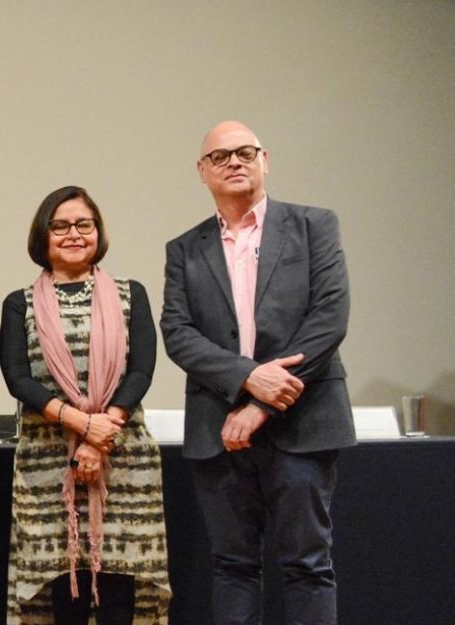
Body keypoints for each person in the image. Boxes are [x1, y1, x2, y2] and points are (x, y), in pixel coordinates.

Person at [160, 121, 354, 625]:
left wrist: (263, 403)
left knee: (308, 565)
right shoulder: (183, 248)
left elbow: (329, 316)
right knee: (232, 567)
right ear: (202, 172)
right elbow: (178, 333)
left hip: (303, 421)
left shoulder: (314, 225)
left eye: (245, 152)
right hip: (220, 431)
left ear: (265, 160)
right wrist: (249, 379)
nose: (234, 162)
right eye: (220, 156)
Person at [0, 186, 170, 625]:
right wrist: (79, 423)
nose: (73, 233)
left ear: (98, 232)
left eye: (83, 224)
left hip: (122, 455)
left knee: (119, 579)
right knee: (62, 583)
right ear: (43, 235)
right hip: (47, 461)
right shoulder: (19, 303)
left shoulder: (133, 294)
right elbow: (18, 378)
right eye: (60, 226)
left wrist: (99, 434)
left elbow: (142, 371)